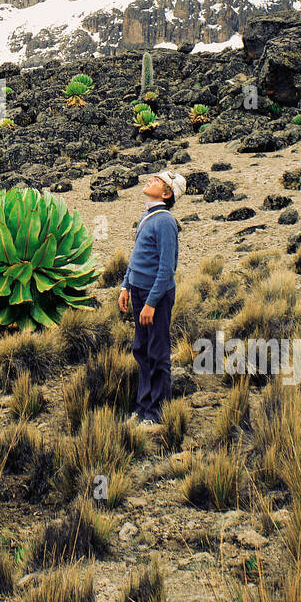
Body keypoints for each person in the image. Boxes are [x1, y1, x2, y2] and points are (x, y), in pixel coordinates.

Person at [118, 169, 186, 427]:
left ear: (167, 193)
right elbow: (137, 255)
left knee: (157, 353)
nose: (151, 180)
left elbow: (167, 269)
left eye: (158, 181)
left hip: (154, 297)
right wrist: (125, 286)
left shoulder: (166, 222)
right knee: (142, 350)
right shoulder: (148, 215)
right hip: (138, 292)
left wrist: (150, 303)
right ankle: (143, 407)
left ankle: (157, 415)